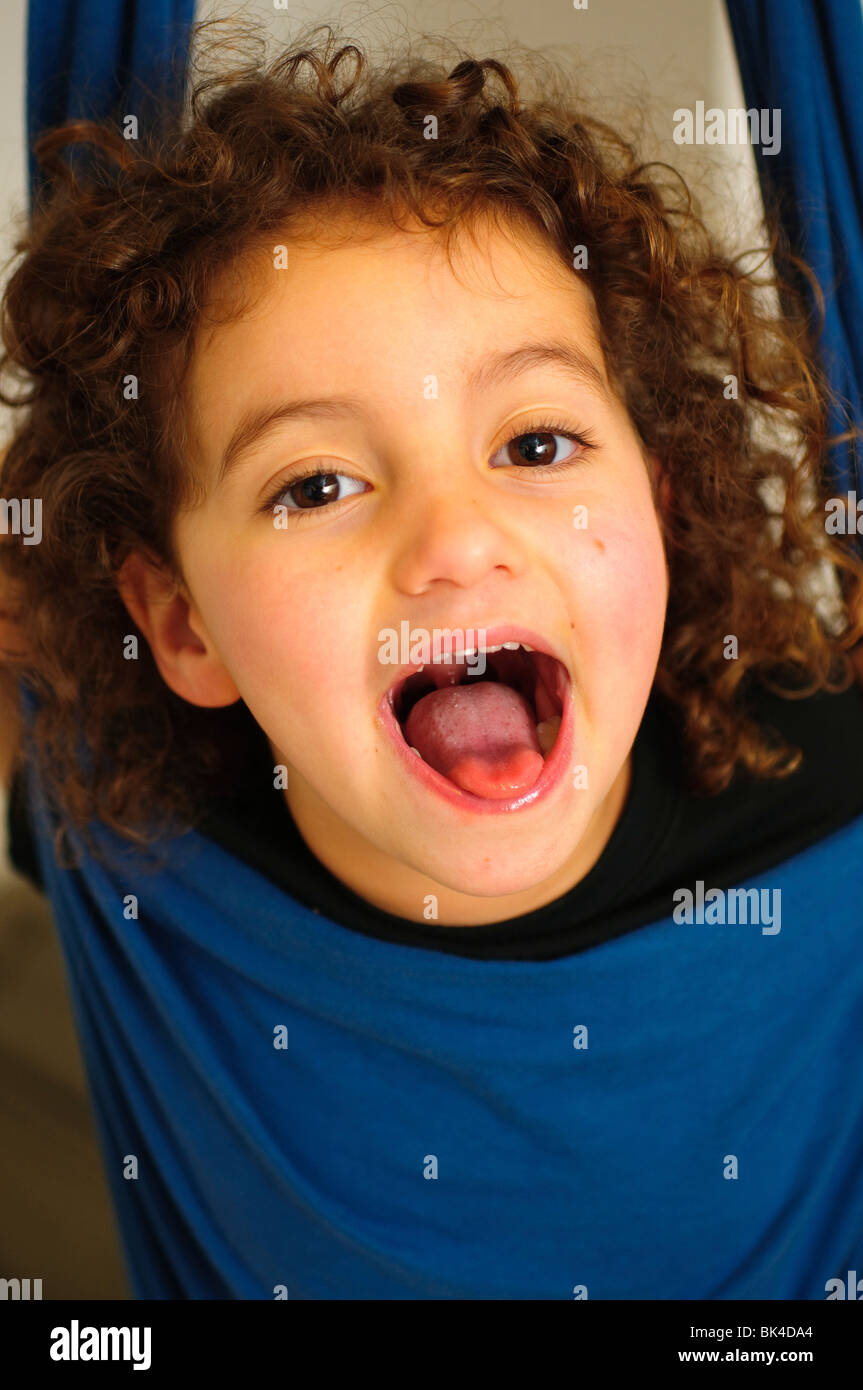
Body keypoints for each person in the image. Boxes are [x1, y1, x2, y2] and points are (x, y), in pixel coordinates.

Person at [1, 20, 863, 1300]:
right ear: (181, 624)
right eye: (318, 482)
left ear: (659, 513)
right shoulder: (115, 817)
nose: (455, 539)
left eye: (534, 446)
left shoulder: (834, 824)